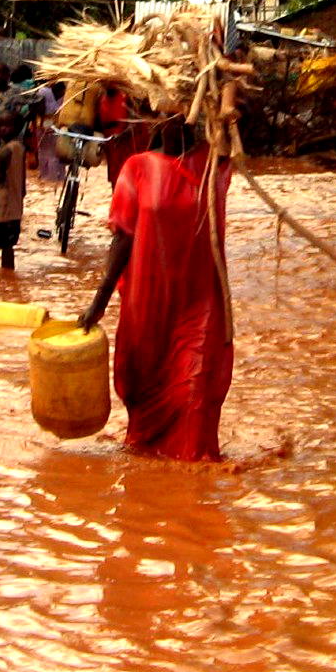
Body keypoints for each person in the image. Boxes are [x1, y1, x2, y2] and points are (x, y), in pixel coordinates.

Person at [78, 115, 233, 462]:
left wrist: (224, 102)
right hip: (150, 303)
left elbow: (236, 127)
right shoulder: (137, 169)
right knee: (145, 397)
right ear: (156, 121)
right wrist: (98, 302)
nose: (180, 124)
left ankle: (194, 492)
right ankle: (151, 482)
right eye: (170, 117)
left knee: (194, 390)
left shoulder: (213, 162)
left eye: (185, 116)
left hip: (200, 300)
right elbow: (122, 239)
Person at [0, 111, 26, 269]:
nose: (2, 129)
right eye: (0, 125)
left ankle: (8, 269)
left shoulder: (12, 147)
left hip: (7, 203)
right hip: (5, 201)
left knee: (7, 242)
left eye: (7, 125)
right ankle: (6, 269)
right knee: (4, 242)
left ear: (17, 128)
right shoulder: (15, 146)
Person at [36, 80, 68, 183]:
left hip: (51, 126)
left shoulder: (62, 98)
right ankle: (51, 178)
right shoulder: (44, 92)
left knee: (51, 153)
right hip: (47, 126)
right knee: (49, 153)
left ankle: (50, 178)